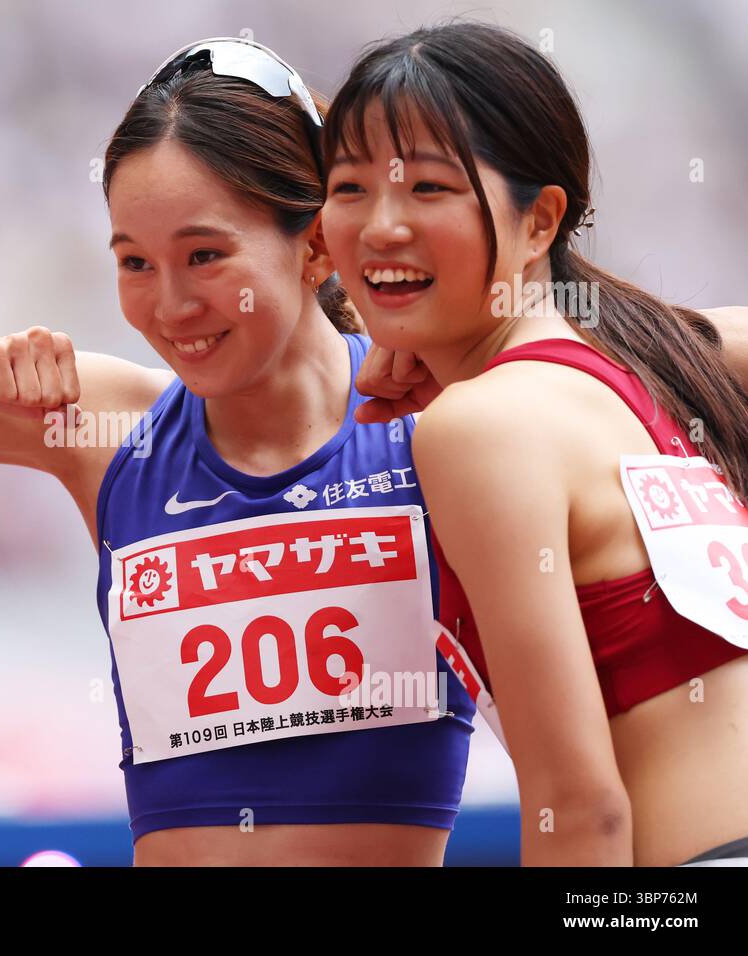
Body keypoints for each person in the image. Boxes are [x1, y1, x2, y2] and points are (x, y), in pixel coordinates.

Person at [0, 38, 476, 866]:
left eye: (205, 255)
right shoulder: (115, 431)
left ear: (319, 245)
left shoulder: (444, 428)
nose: (171, 304)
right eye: (135, 262)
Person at [318, 20, 748, 866]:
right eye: (350, 188)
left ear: (541, 217)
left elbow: (579, 808)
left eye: (430, 189)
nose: (381, 227)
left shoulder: (482, 425)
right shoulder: (638, 367)